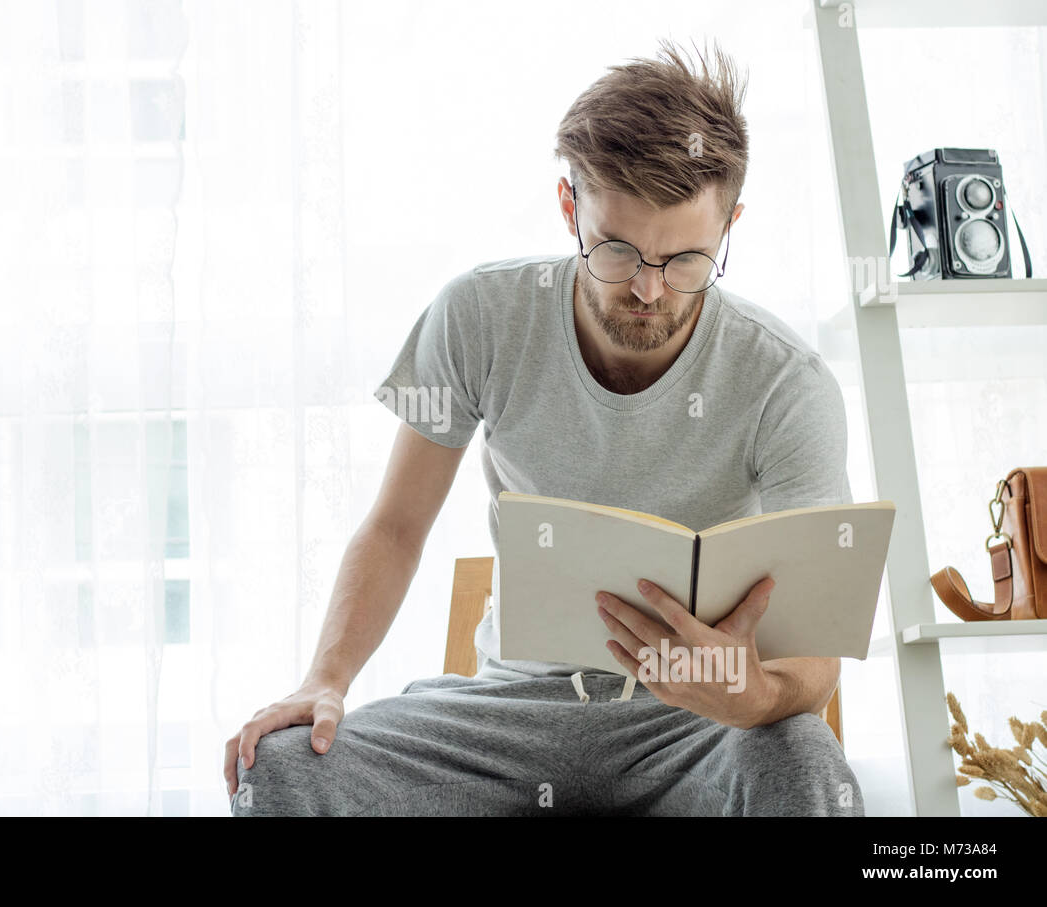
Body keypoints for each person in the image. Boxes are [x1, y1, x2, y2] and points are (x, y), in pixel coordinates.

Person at [224, 37, 864, 817]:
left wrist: (751, 691)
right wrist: (324, 680)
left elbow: (816, 664)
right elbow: (395, 526)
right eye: (618, 251)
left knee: (800, 756)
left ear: (731, 224)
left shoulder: (788, 387)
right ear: (570, 209)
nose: (651, 292)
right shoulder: (479, 317)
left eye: (689, 261)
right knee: (285, 764)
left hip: (692, 725)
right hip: (504, 717)